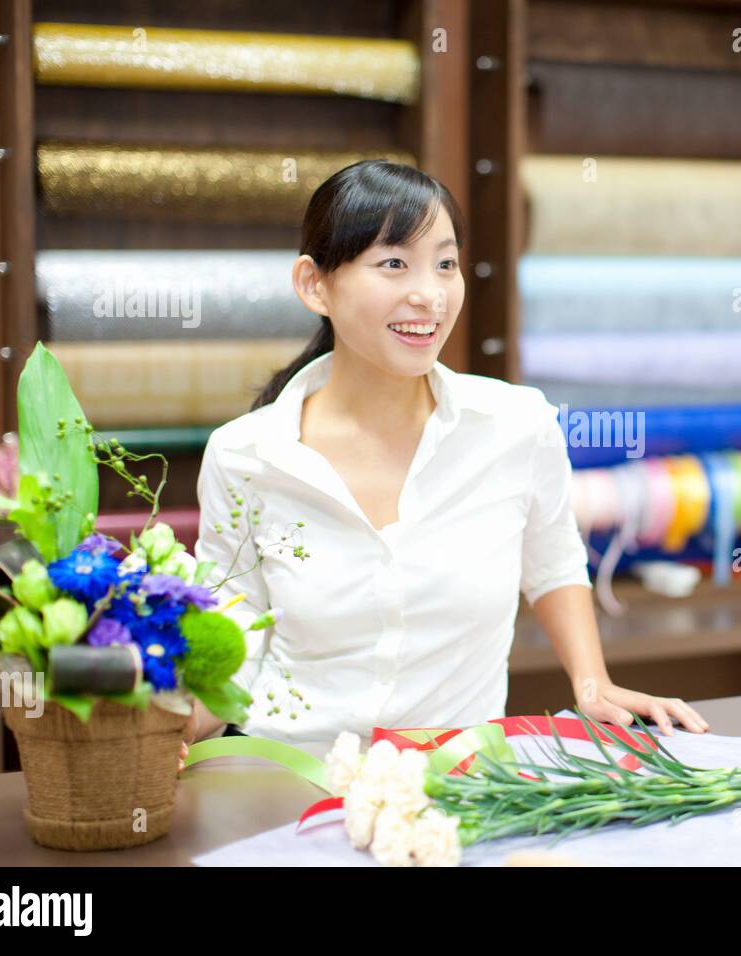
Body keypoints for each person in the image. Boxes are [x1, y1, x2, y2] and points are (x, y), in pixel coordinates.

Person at [179, 160, 708, 761]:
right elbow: (237, 612)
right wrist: (187, 718)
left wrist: (593, 686)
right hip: (285, 770)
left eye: (445, 264)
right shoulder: (245, 452)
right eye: (394, 263)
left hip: (457, 780)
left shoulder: (516, 425)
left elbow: (555, 562)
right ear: (314, 284)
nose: (429, 294)